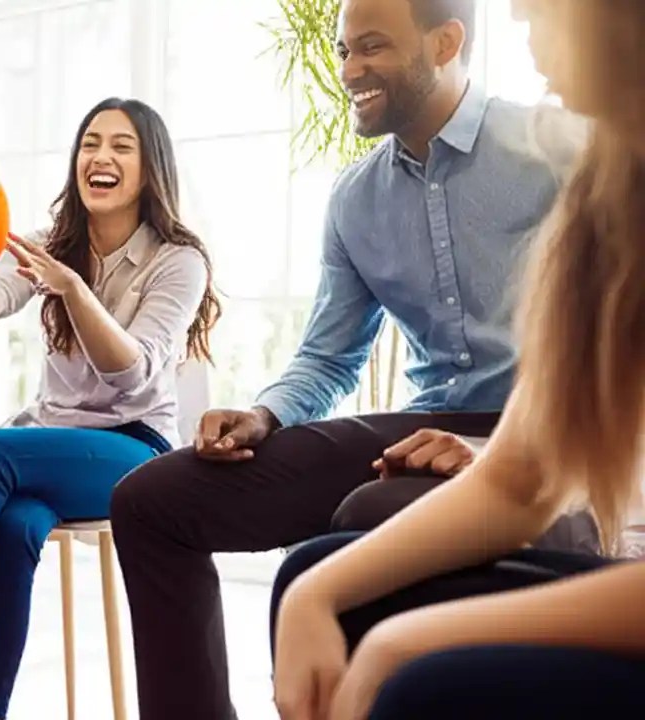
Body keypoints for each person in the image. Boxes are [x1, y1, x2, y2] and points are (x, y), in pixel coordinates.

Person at [108, 0, 594, 717]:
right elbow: (329, 355)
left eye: (371, 47)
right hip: (420, 431)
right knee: (152, 502)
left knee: (367, 512)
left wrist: (506, 447)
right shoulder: (355, 199)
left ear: (446, 42)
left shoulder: (558, 151)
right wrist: (265, 414)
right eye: (343, 51)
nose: (348, 70)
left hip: (544, 432)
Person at [271, 1, 645, 717]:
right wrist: (314, 595)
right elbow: (518, 480)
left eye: (541, 7)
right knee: (314, 580)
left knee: (419, 677)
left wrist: (403, 641)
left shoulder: (563, 162)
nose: (522, 17)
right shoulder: (608, 194)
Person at [0, 97, 221, 720]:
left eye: (121, 146)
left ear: (150, 169)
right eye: (90, 143)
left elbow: (131, 370)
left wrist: (74, 289)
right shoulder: (53, 241)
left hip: (136, 450)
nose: (100, 156)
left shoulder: (178, 261)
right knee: (12, 527)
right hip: (53, 445)